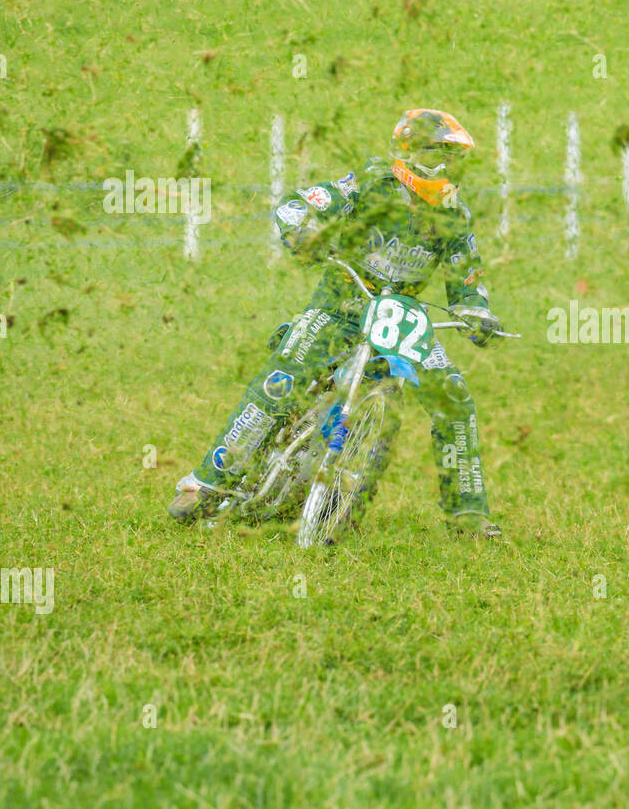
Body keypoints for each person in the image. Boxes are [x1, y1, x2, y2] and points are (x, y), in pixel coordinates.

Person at [168, 108, 505, 538]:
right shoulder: (370, 182)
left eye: (452, 158)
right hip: (342, 302)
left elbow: (467, 276)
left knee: (454, 396)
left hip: (402, 316)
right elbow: (298, 205)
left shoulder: (455, 215)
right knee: (281, 380)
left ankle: (468, 514)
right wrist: (303, 230)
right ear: (408, 151)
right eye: (436, 154)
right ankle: (206, 483)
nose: (446, 166)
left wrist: (476, 310)